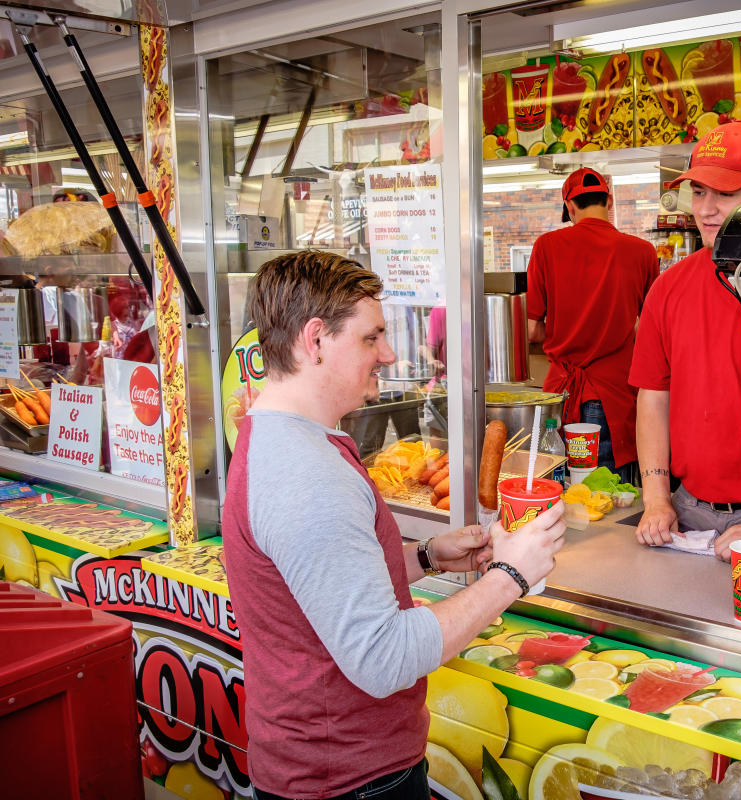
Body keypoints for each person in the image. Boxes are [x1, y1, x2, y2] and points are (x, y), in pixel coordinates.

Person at [222, 250, 565, 800]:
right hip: (349, 781)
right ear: (315, 340)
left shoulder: (280, 434)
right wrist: (509, 575)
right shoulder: (306, 475)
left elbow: (324, 585)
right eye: (370, 337)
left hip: (324, 766)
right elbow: (383, 659)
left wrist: (425, 556)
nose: (388, 353)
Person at [628, 121, 741, 562]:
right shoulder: (669, 286)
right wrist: (657, 499)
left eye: (725, 193)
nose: (707, 209)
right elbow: (653, 396)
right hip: (689, 512)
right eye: (698, 192)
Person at [526, 167, 658, 482]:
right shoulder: (642, 252)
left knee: (562, 491)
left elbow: (532, 329)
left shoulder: (546, 246)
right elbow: (655, 331)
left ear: (570, 206)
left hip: (560, 394)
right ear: (608, 201)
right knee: (609, 498)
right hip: (615, 398)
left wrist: (564, 335)